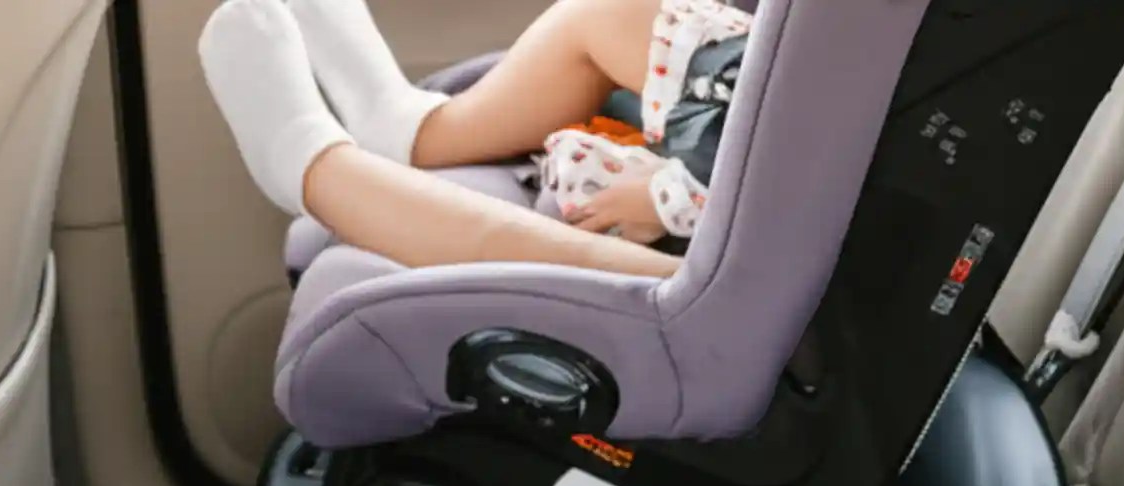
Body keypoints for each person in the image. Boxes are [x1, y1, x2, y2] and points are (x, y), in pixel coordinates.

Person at [198, 0, 754, 280]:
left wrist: (671, 195)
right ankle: (411, 131)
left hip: (772, 261)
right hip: (776, 125)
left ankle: (313, 169)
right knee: (606, 14)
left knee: (550, 252)